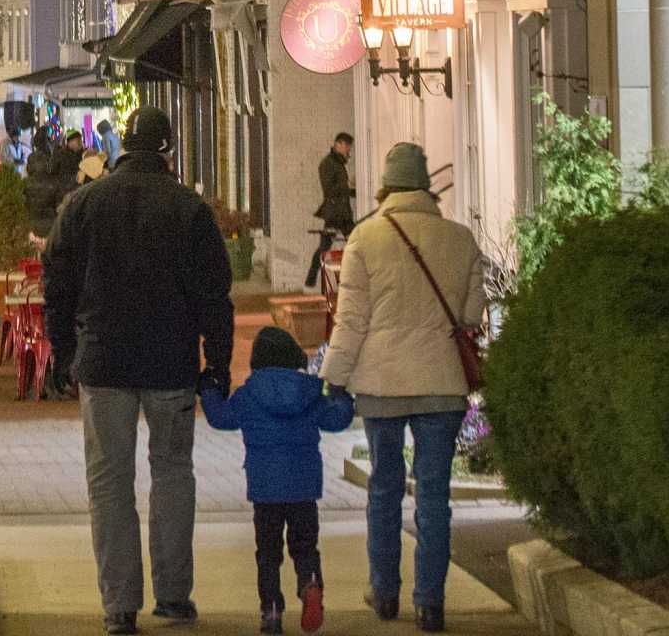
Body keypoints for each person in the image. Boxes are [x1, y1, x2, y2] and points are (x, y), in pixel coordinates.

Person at [43, 106, 234, 635]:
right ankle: (173, 595)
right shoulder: (189, 209)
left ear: (124, 146)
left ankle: (119, 605)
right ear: (168, 150)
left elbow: (55, 284)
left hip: (103, 361)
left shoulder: (84, 204)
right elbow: (215, 296)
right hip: (171, 363)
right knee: (173, 474)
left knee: (108, 483)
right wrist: (216, 363)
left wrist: (63, 353)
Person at [321, 143, 486, 633]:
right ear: (426, 186)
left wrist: (333, 376)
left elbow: (350, 321)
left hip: (382, 385)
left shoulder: (365, 239)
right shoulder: (460, 240)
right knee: (434, 494)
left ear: (385, 186)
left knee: (385, 488)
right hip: (441, 384)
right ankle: (430, 603)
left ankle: (386, 592)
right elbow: (471, 316)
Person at [203, 325, 355, 633]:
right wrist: (344, 397)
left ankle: (271, 611)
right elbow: (337, 420)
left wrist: (208, 389)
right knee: (305, 546)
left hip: (265, 490)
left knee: (268, 553)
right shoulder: (310, 392)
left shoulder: (248, 394)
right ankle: (310, 581)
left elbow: (221, 419)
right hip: (303, 487)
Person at [306, 132, 357, 288]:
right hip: (335, 214)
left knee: (351, 242)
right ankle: (312, 278)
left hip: (342, 213)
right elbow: (329, 190)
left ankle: (312, 279)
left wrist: (354, 191)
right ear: (339, 144)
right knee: (326, 247)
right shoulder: (328, 164)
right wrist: (348, 186)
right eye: (347, 147)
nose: (349, 150)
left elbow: (340, 190)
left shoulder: (338, 163)